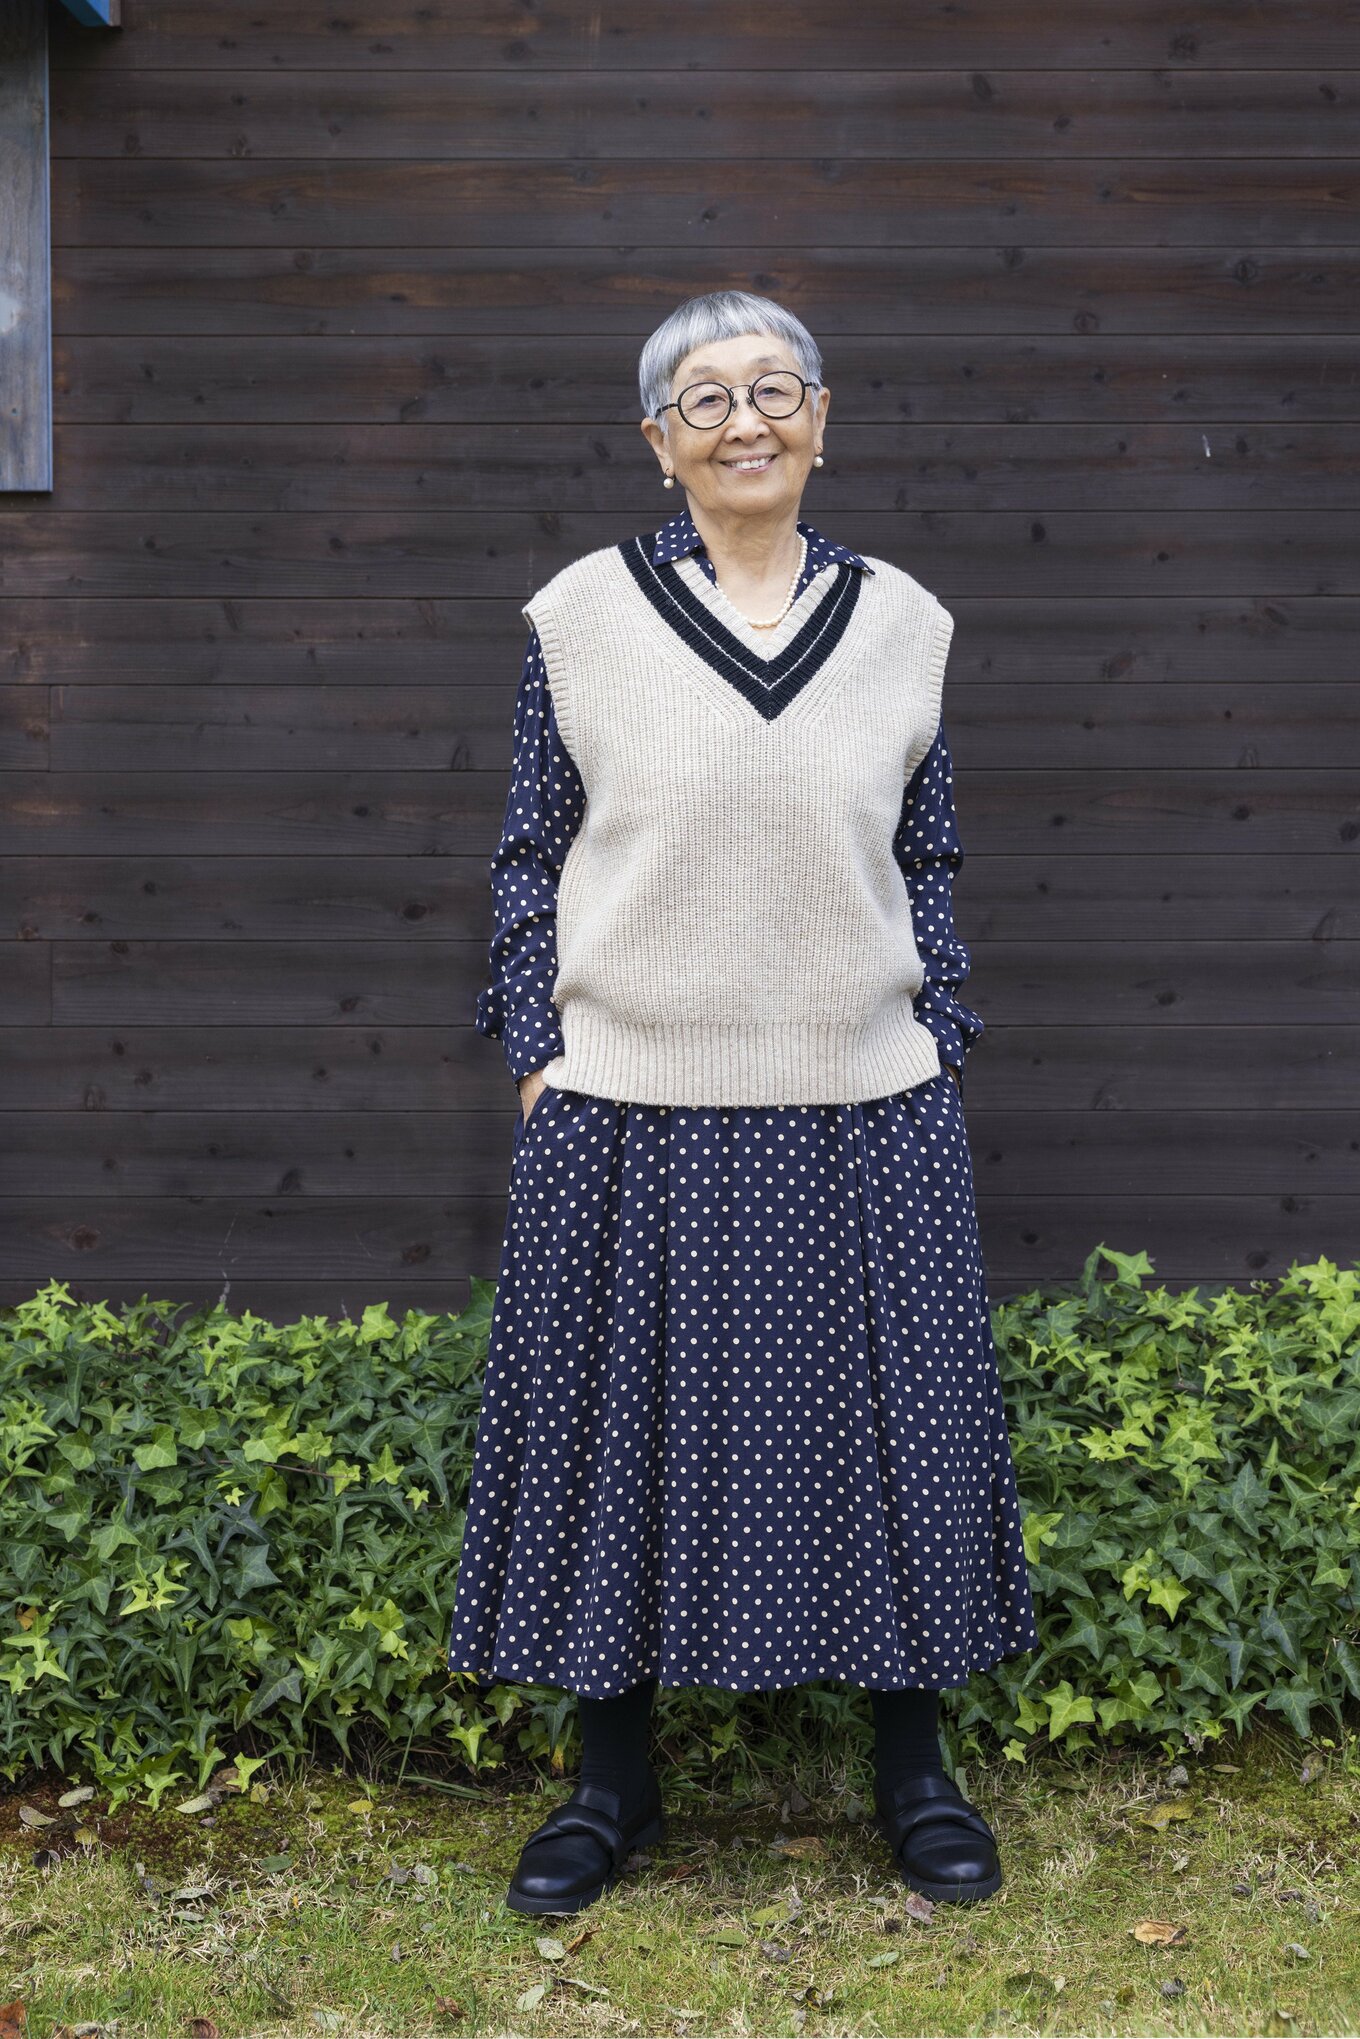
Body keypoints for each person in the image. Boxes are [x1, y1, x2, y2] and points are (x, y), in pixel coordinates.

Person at [446, 289, 1038, 1915]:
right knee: (612, 1442)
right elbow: (527, 853)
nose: (746, 421)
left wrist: (940, 1035)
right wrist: (533, 1051)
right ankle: (606, 1784)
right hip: (631, 1095)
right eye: (704, 401)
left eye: (776, 391)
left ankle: (916, 1773)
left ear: (825, 417)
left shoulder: (906, 621)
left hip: (865, 1097)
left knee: (890, 1441)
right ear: (658, 444)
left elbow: (925, 862)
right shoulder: (578, 617)